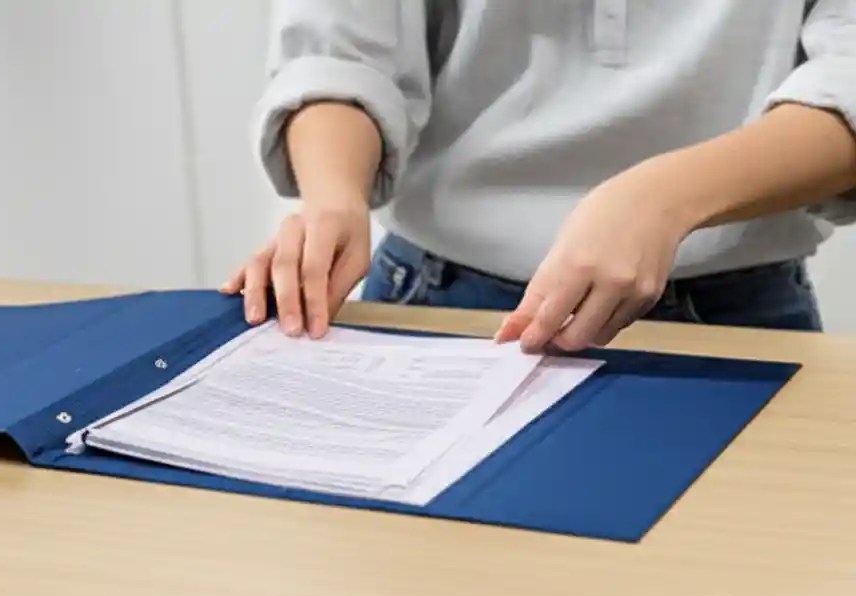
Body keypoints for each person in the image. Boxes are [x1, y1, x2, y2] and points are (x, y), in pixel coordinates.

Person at [223, 0, 856, 352]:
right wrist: (334, 196)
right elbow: (341, 49)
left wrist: (663, 199)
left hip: (737, 318)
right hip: (437, 302)